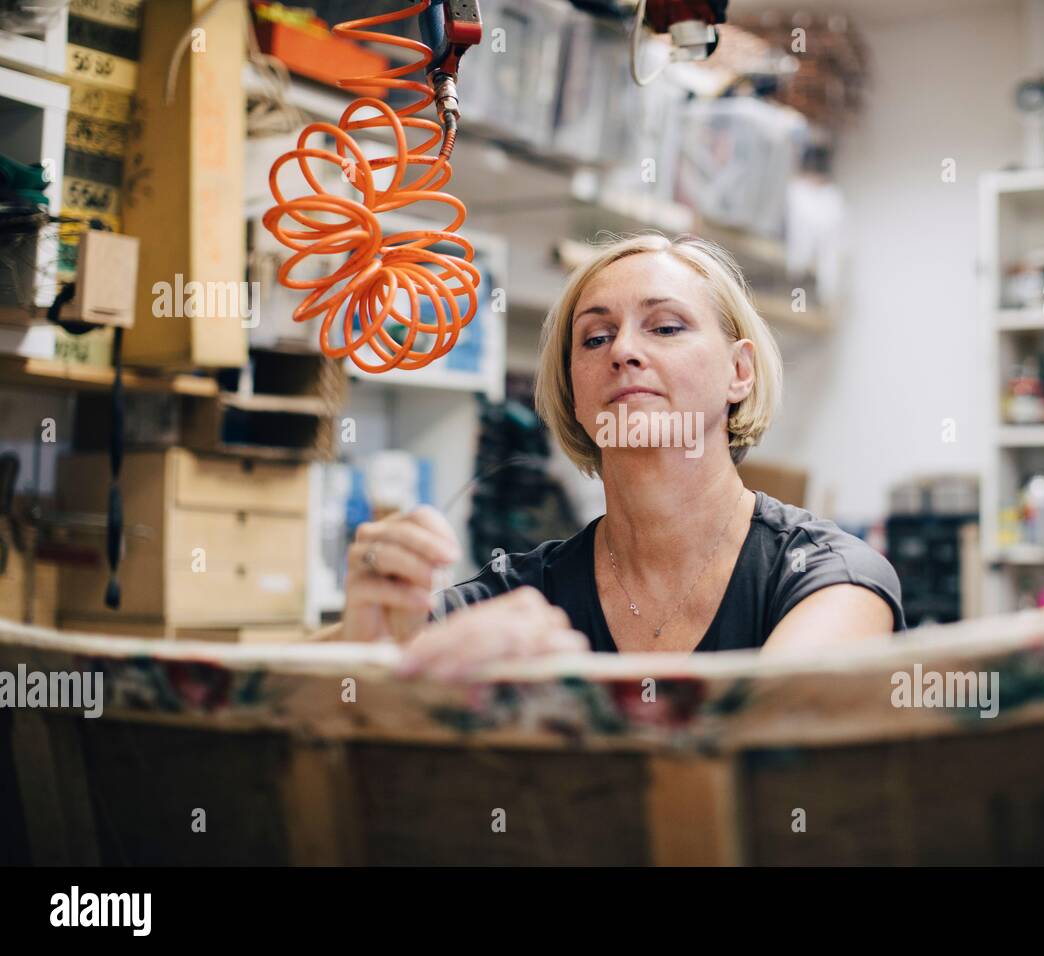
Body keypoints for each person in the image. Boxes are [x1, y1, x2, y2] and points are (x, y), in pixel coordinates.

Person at [326, 233, 903, 678]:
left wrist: (554, 696)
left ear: (739, 371)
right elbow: (274, 695)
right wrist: (363, 642)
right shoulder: (526, 593)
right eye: (596, 338)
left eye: (666, 327)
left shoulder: (828, 577)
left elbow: (760, 730)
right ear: (575, 394)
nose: (624, 350)